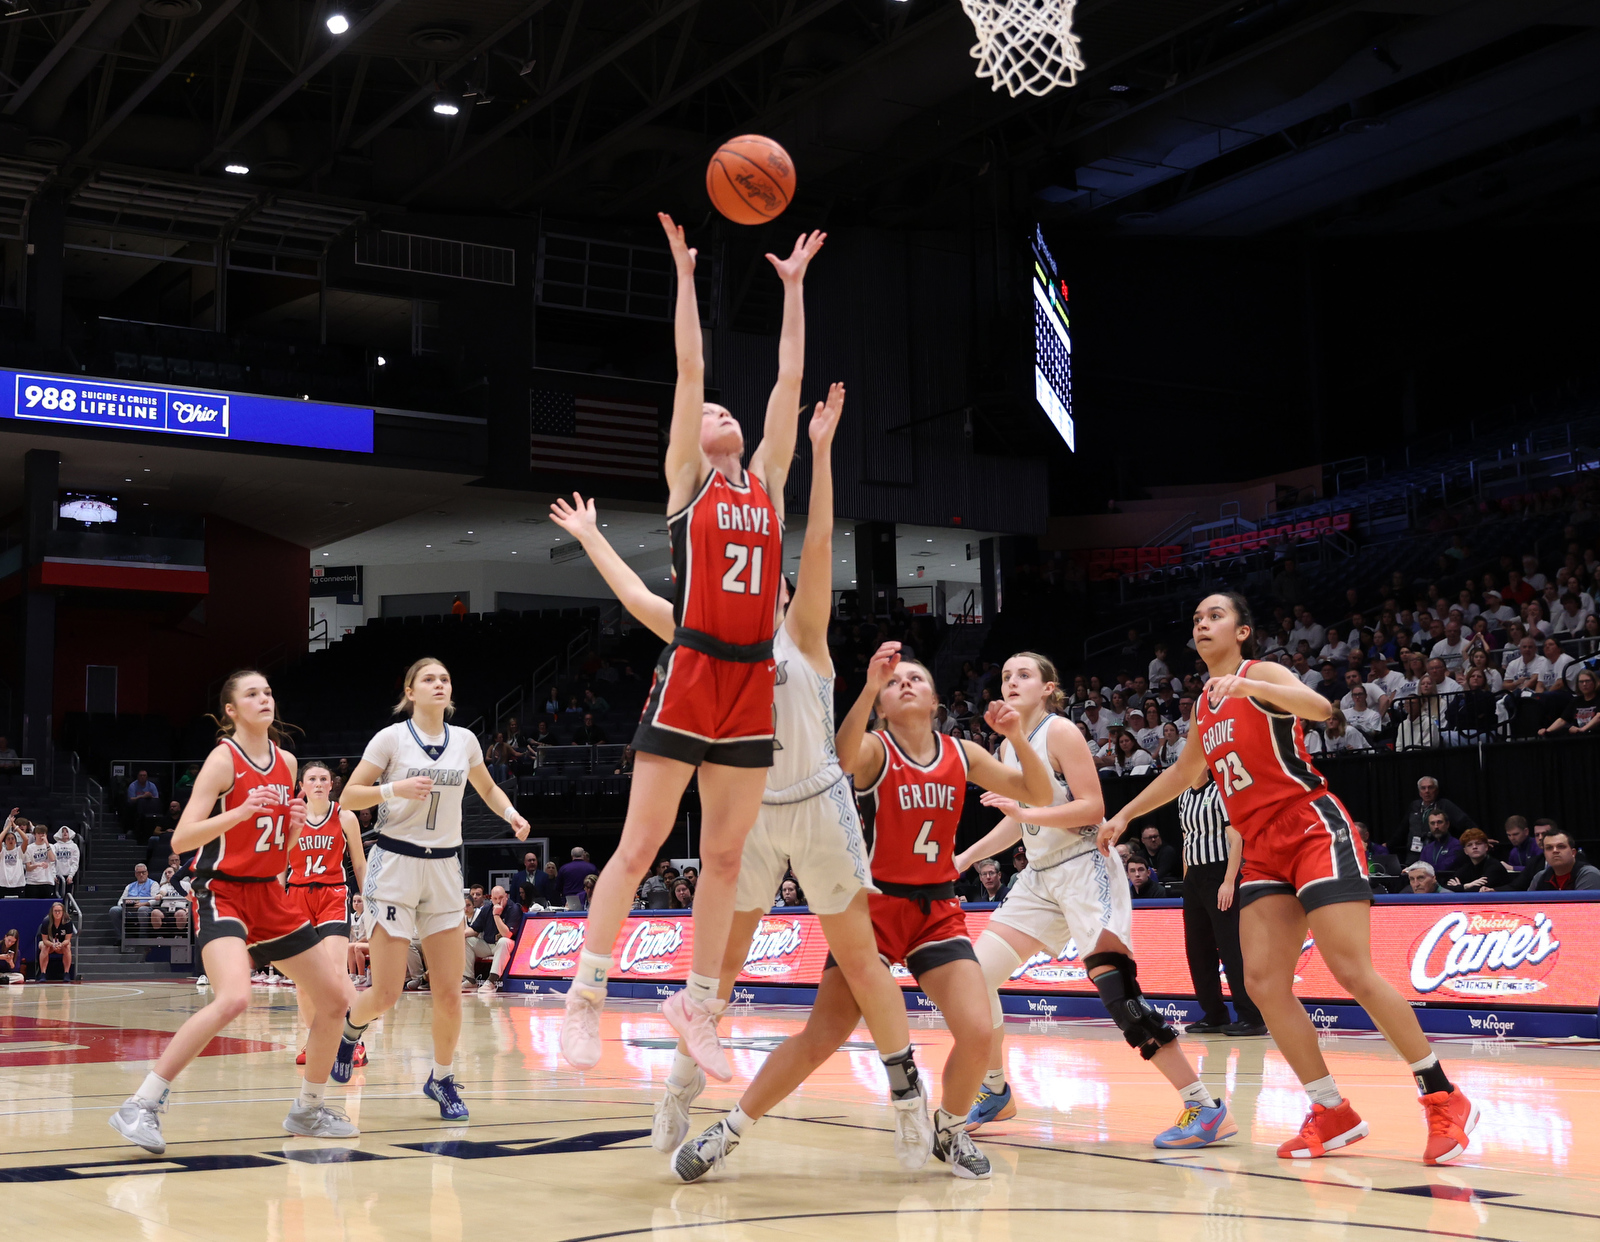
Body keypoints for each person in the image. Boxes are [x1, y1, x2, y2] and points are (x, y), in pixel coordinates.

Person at [558, 392, 933, 1175]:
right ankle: (677, 1090)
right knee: (718, 974)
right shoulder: (704, 626)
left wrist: (823, 454)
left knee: (862, 963)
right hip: (754, 810)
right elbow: (634, 597)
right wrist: (593, 537)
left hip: (822, 805)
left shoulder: (801, 633)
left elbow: (821, 534)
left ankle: (908, 1105)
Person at [559, 215, 826, 1077]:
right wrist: (682, 272)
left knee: (722, 857)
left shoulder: (772, 483)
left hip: (751, 680)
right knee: (638, 849)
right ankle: (586, 994)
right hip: (691, 668)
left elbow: (789, 377)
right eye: (708, 411)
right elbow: (689, 366)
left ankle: (701, 1003)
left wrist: (791, 290)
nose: (717, 410)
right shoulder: (688, 482)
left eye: (724, 411)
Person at [1102, 592, 1477, 1167]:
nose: (1203, 624)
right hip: (1259, 847)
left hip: (1310, 827)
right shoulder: (1204, 701)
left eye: (1216, 616)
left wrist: (1251, 688)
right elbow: (1185, 770)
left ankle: (1443, 1095)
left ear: (1243, 631)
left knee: (1351, 969)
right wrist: (1127, 813)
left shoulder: (1259, 674)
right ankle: (1330, 1109)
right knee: (1263, 983)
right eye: (1198, 619)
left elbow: (1322, 709)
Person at [672, 646, 1056, 1183]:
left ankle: (949, 1128)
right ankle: (728, 1130)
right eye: (894, 681)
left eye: (915, 677)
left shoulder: (963, 752)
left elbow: (1041, 793)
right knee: (821, 1037)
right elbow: (840, 760)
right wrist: (868, 687)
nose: (905, 684)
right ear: (881, 704)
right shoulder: (876, 748)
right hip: (869, 911)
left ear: (935, 698)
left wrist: (1016, 737)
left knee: (975, 1030)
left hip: (936, 911)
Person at [952, 652, 1232, 1149]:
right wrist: (961, 860)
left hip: (1084, 869)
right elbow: (1018, 821)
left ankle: (1204, 1105)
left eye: (1023, 675)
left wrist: (1024, 807)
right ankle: (995, 1089)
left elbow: (1091, 810)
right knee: (971, 980)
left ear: (1048, 687)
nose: (1011, 681)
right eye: (1005, 675)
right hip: (1039, 879)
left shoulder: (1059, 731)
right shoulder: (1009, 746)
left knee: (1118, 995)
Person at [108, 670, 360, 1153]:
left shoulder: (287, 762)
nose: (264, 698)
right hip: (221, 891)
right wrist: (242, 811)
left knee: (334, 999)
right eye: (252, 694)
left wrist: (290, 827)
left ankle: (308, 1109)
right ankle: (139, 1105)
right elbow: (181, 839)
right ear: (231, 710)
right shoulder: (223, 761)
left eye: (267, 692)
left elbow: (281, 852)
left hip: (271, 894)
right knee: (234, 999)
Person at [330, 658, 531, 1118]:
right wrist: (393, 789)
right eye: (429, 679)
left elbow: (488, 788)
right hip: (396, 862)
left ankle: (441, 1079)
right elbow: (350, 796)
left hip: (444, 868)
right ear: (410, 690)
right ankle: (349, 1031)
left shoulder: (465, 740)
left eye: (445, 679)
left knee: (448, 991)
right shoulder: (391, 738)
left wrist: (511, 815)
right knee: (386, 992)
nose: (439, 684)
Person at [285, 760, 367, 1069]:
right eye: (312, 779)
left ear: (331, 785)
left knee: (335, 971)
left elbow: (358, 862)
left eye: (323, 778)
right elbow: (280, 867)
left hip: (333, 894)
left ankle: (353, 1042)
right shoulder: (291, 821)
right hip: (296, 898)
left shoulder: (345, 817)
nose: (318, 783)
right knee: (303, 982)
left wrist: (368, 898)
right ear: (302, 786)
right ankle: (317, 1039)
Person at [1176, 769, 1264, 1036]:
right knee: (1198, 950)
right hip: (1194, 878)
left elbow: (1236, 838)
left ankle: (1251, 1016)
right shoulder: (1182, 797)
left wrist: (1229, 880)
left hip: (1220, 873)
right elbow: (1186, 840)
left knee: (1230, 948)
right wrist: (1186, 879)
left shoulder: (1220, 792)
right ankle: (1213, 1014)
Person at [465, 885, 522, 994]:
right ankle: (469, 979)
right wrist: (460, 935)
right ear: (491, 899)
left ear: (506, 896)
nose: (498, 901)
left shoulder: (514, 909)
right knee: (466, 940)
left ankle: (491, 981)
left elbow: (507, 934)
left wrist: (496, 915)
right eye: (495, 899)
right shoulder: (486, 909)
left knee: (503, 941)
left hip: (508, 946)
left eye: (501, 898)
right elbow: (475, 929)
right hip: (488, 945)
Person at [1400, 777, 1475, 857]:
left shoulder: (1445, 804)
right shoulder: (1414, 806)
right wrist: (1388, 845)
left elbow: (1464, 822)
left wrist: (1478, 838)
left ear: (1436, 790)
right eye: (1423, 788)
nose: (1427, 791)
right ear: (1419, 792)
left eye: (1430, 787)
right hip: (1414, 853)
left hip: (1437, 851)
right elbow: (1403, 828)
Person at [1526, 830, 1600, 890]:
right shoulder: (1540, 877)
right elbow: (1527, 906)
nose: (1555, 851)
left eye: (1561, 846)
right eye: (1549, 848)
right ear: (1545, 855)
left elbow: (1581, 907)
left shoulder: (1589, 874)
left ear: (1573, 852)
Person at [1444, 829, 1513, 891]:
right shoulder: (1467, 868)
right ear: (1465, 851)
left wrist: (1460, 887)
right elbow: (1446, 887)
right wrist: (1467, 886)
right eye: (1469, 845)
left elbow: (1478, 890)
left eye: (1478, 843)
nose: (1474, 847)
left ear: (1486, 847)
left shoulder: (1495, 866)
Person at [111, 862, 160, 936]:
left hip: (145, 908)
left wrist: (142, 904)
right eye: (139, 873)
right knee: (114, 910)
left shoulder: (153, 884)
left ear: (147, 873)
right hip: (130, 908)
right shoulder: (130, 886)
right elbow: (120, 901)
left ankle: (142, 936)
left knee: (142, 910)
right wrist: (126, 904)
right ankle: (120, 937)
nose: (141, 875)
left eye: (143, 872)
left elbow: (156, 900)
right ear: (135, 874)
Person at [35, 900, 73, 979]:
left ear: (63, 912)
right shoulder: (46, 921)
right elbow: (44, 940)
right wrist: (53, 944)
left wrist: (61, 944)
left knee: (68, 946)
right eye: (55, 911)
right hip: (49, 944)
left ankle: (66, 973)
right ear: (52, 912)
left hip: (61, 945)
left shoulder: (68, 921)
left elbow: (67, 939)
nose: (57, 913)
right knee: (44, 946)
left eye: (59, 911)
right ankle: (43, 973)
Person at [21, 826, 56, 898]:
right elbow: (28, 868)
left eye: (43, 833)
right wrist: (38, 865)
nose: (41, 836)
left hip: (47, 881)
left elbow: (52, 859)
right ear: (34, 835)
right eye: (39, 833)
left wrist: (47, 844)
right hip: (32, 882)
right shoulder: (29, 848)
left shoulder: (51, 846)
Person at [52, 826, 80, 909]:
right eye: (63, 831)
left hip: (68, 876)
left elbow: (75, 862)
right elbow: (52, 862)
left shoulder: (74, 846)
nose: (64, 833)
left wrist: (71, 875)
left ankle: (68, 909)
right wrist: (53, 875)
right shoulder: (55, 846)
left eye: (66, 831)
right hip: (57, 876)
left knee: (68, 895)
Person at [0, 818, 23, 897]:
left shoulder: (19, 850)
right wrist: (8, 826)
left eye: (12, 838)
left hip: (18, 884)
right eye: (8, 839)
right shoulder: (2, 851)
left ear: (16, 841)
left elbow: (26, 839)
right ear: (5, 842)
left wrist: (15, 826)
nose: (11, 840)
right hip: (3, 884)